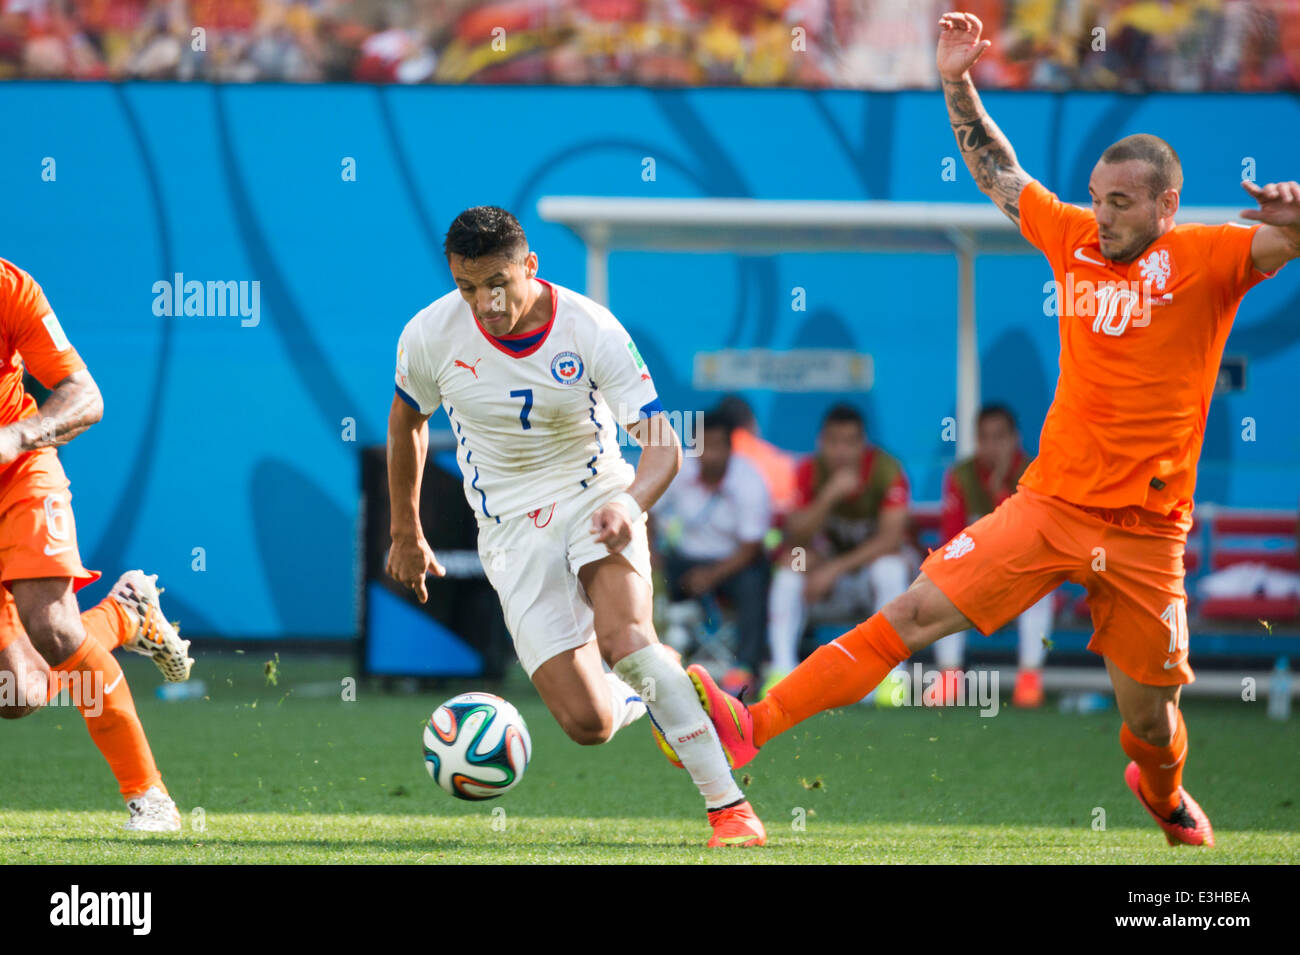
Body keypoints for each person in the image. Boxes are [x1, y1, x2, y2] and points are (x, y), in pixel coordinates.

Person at [663, 11, 1300, 850]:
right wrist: (957, 81)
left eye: (1120, 204)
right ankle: (753, 723)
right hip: (1048, 506)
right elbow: (999, 172)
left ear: (1166, 205)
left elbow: (1283, 243)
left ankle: (1165, 789)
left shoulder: (1210, 258)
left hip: (1148, 535)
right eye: (1098, 199)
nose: (1101, 217)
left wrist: (1296, 211)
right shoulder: (1071, 236)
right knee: (912, 613)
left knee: (1151, 722)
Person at [386, 206, 764, 847]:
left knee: (628, 641)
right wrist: (405, 531)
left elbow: (663, 446)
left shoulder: (590, 327)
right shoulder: (428, 335)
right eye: (467, 287)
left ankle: (728, 807)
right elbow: (407, 423)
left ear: (530, 265)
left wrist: (632, 504)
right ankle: (666, 690)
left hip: (596, 495)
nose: (485, 302)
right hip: (509, 529)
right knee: (587, 723)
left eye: (498, 282)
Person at [0, 258, 192, 831]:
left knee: (54, 629)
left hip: (19, 472)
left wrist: (17, 436)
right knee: (18, 694)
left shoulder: (11, 287)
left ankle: (149, 797)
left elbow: (83, 394)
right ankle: (122, 616)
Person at [765, 403, 911, 698]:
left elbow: (891, 539)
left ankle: (893, 679)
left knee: (891, 566)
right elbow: (796, 532)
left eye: (849, 442)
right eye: (833, 441)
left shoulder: (885, 470)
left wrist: (834, 568)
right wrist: (829, 495)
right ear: (821, 442)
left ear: (863, 445)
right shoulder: (810, 470)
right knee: (790, 563)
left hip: (864, 575)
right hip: (825, 577)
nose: (841, 451)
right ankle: (782, 672)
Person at [931, 404, 1053, 707]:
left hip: (1019, 578)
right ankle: (949, 675)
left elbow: (1036, 541)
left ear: (1015, 438)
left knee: (1041, 587)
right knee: (943, 583)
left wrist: (1000, 491)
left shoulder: (1035, 474)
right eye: (984, 437)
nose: (992, 445)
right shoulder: (962, 475)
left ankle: (1029, 678)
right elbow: (951, 541)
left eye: (1000, 436)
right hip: (975, 576)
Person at [652, 409, 772, 696]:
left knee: (755, 579)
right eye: (704, 446)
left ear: (731, 449)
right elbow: (647, 508)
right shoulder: (679, 468)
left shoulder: (750, 481)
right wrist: (650, 555)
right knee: (645, 576)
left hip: (734, 563)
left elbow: (751, 547)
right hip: (684, 561)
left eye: (718, 447)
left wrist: (711, 575)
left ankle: (745, 669)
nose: (711, 455)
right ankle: (657, 663)